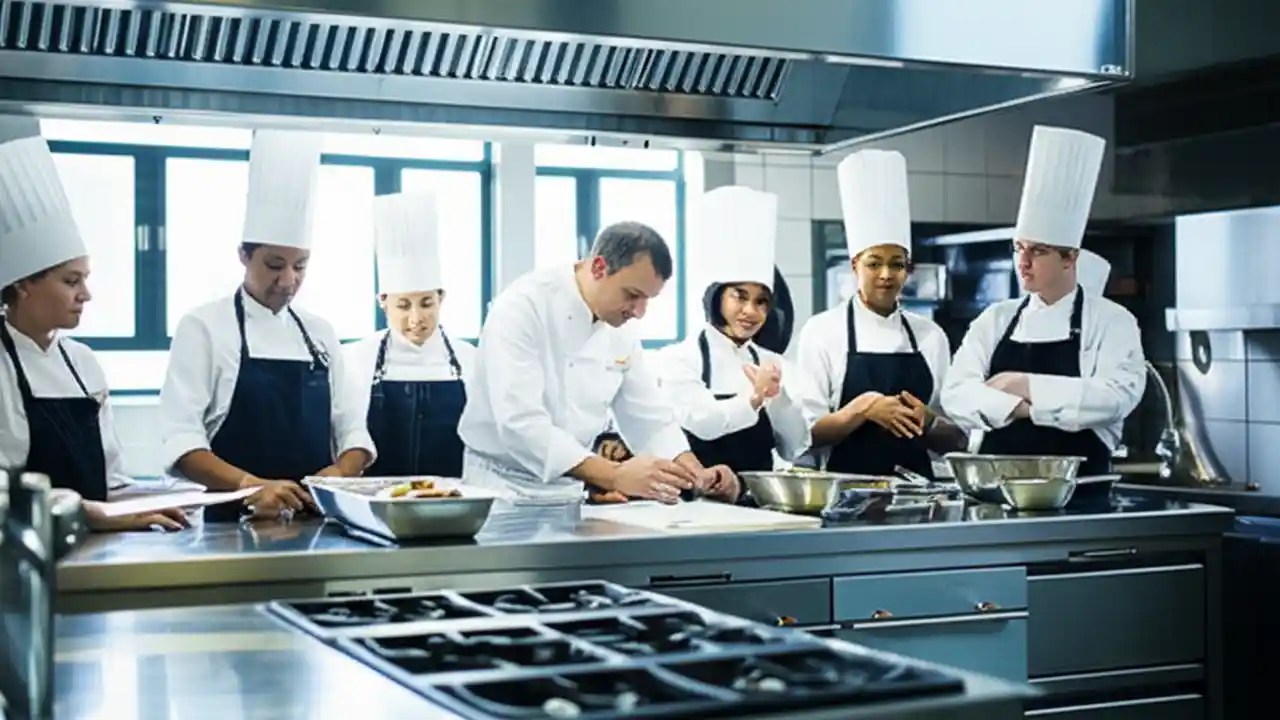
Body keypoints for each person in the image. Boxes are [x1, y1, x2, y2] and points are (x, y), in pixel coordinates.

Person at [159, 129, 375, 522]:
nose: (288, 280)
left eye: (301, 266)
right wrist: (251, 485)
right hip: (229, 525)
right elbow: (181, 441)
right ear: (244, 254)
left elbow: (353, 429)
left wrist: (341, 473)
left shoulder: (320, 332)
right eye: (274, 265)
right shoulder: (204, 327)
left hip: (317, 522)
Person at [457, 222, 737, 505]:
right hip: (502, 489)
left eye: (648, 300)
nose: (639, 312)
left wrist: (694, 473)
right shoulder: (521, 309)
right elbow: (520, 424)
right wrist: (613, 475)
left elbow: (648, 418)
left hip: (569, 489)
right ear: (599, 268)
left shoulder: (620, 325)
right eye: (632, 295)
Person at [0, 117, 187, 531]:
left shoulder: (81, 361)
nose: (86, 294)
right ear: (23, 284)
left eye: (85, 279)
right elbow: (4, 490)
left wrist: (195, 499)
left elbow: (112, 483)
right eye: (71, 281)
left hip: (94, 547)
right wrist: (90, 512)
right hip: (19, 552)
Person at [941, 126, 1146, 476]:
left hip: (1080, 495)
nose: (1022, 261)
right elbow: (956, 395)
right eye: (1019, 247)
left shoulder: (1112, 320)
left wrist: (1019, 383)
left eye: (1038, 251)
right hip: (997, 492)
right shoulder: (997, 318)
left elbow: (1112, 400)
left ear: (1069, 259)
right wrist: (1032, 409)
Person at [795, 149, 964, 479]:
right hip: (846, 494)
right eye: (874, 263)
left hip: (920, 495)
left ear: (908, 270)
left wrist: (928, 420)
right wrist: (864, 409)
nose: (886, 274)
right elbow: (807, 435)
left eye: (897, 264)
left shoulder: (930, 336)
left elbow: (956, 438)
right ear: (855, 265)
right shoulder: (822, 332)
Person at [652, 186, 810, 478]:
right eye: (740, 296)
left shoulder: (772, 362)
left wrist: (780, 397)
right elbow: (703, 423)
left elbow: (794, 447)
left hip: (758, 500)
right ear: (717, 297)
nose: (751, 311)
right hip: (694, 500)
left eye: (761, 302)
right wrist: (754, 397)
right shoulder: (678, 359)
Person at [341, 191, 474, 478]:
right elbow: (347, 431)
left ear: (442, 298)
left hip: (452, 497)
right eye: (403, 306)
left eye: (427, 303)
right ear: (383, 302)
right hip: (376, 500)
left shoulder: (470, 359)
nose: (416, 319)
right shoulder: (357, 357)